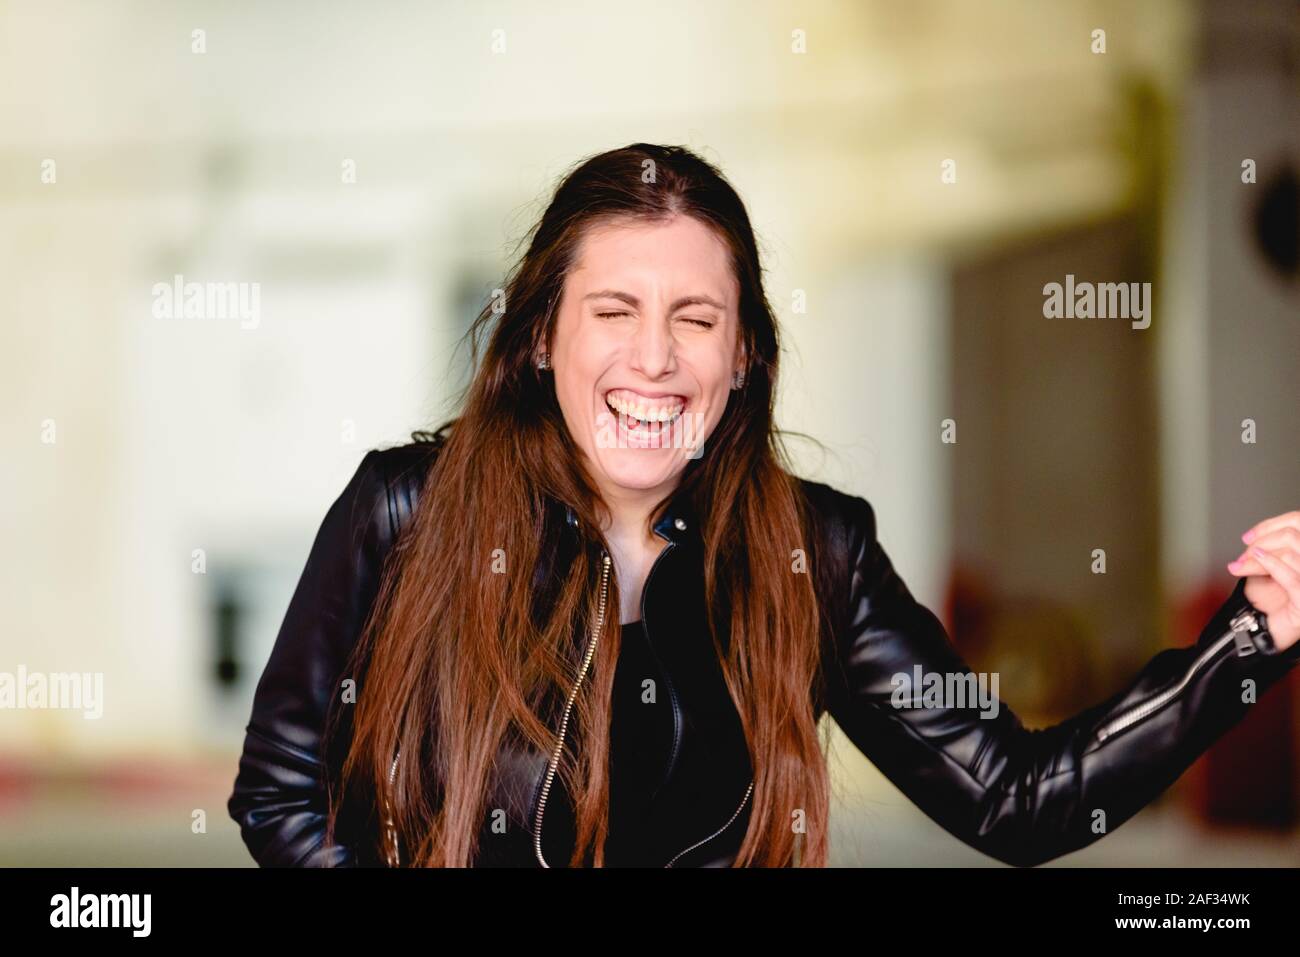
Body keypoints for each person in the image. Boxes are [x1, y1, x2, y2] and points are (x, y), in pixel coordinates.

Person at [227, 143, 1300, 868]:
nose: (654, 357)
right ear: (542, 337)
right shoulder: (402, 515)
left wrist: (1247, 642)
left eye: (696, 318)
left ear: (740, 357)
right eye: (614, 310)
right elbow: (277, 797)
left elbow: (1017, 799)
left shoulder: (815, 553)